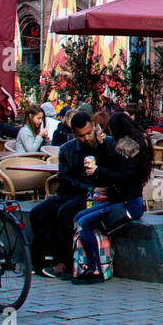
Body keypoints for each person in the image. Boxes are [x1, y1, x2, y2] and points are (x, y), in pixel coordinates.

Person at [72, 113, 152, 284]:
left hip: (128, 205)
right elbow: (114, 168)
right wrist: (101, 148)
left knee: (84, 223)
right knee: (78, 217)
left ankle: (95, 269)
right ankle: (86, 265)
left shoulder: (129, 148)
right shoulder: (130, 144)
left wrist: (98, 171)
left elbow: (124, 177)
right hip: (120, 200)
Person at [32, 111, 113, 279]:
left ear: (94, 127)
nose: (87, 138)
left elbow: (113, 170)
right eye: (82, 135)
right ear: (74, 134)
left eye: (89, 133)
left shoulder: (104, 144)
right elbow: (64, 178)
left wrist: (104, 146)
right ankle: (41, 262)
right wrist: (87, 189)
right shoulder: (66, 149)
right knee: (37, 213)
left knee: (65, 212)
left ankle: (66, 264)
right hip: (74, 193)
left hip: (95, 197)